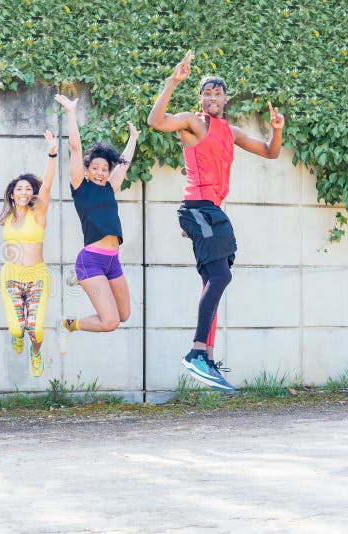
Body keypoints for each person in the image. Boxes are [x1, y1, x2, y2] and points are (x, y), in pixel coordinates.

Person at [147, 51, 284, 391]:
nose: (211, 97)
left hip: (213, 210)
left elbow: (270, 151)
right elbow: (156, 121)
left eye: (216, 93)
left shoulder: (230, 130)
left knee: (214, 278)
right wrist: (173, 81)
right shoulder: (193, 123)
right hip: (198, 207)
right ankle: (196, 352)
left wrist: (277, 130)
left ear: (225, 98)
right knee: (221, 275)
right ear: (200, 99)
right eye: (206, 93)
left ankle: (206, 356)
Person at [53, 95, 139, 354]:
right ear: (88, 169)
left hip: (112, 260)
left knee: (124, 315)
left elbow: (124, 163)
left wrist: (133, 138)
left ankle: (79, 280)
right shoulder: (81, 186)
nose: (101, 172)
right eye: (96, 168)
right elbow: (76, 149)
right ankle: (68, 324)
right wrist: (70, 112)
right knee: (109, 322)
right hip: (91, 260)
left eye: (105, 168)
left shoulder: (110, 188)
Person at [0, 131, 57, 377]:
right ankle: (18, 337)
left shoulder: (38, 214)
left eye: (28, 189)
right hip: (11, 275)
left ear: (32, 193)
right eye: (19, 189)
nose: (23, 192)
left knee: (36, 330)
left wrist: (52, 153)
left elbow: (48, 184)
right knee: (15, 329)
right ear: (12, 194)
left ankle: (35, 351)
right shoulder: (6, 217)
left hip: (37, 277)